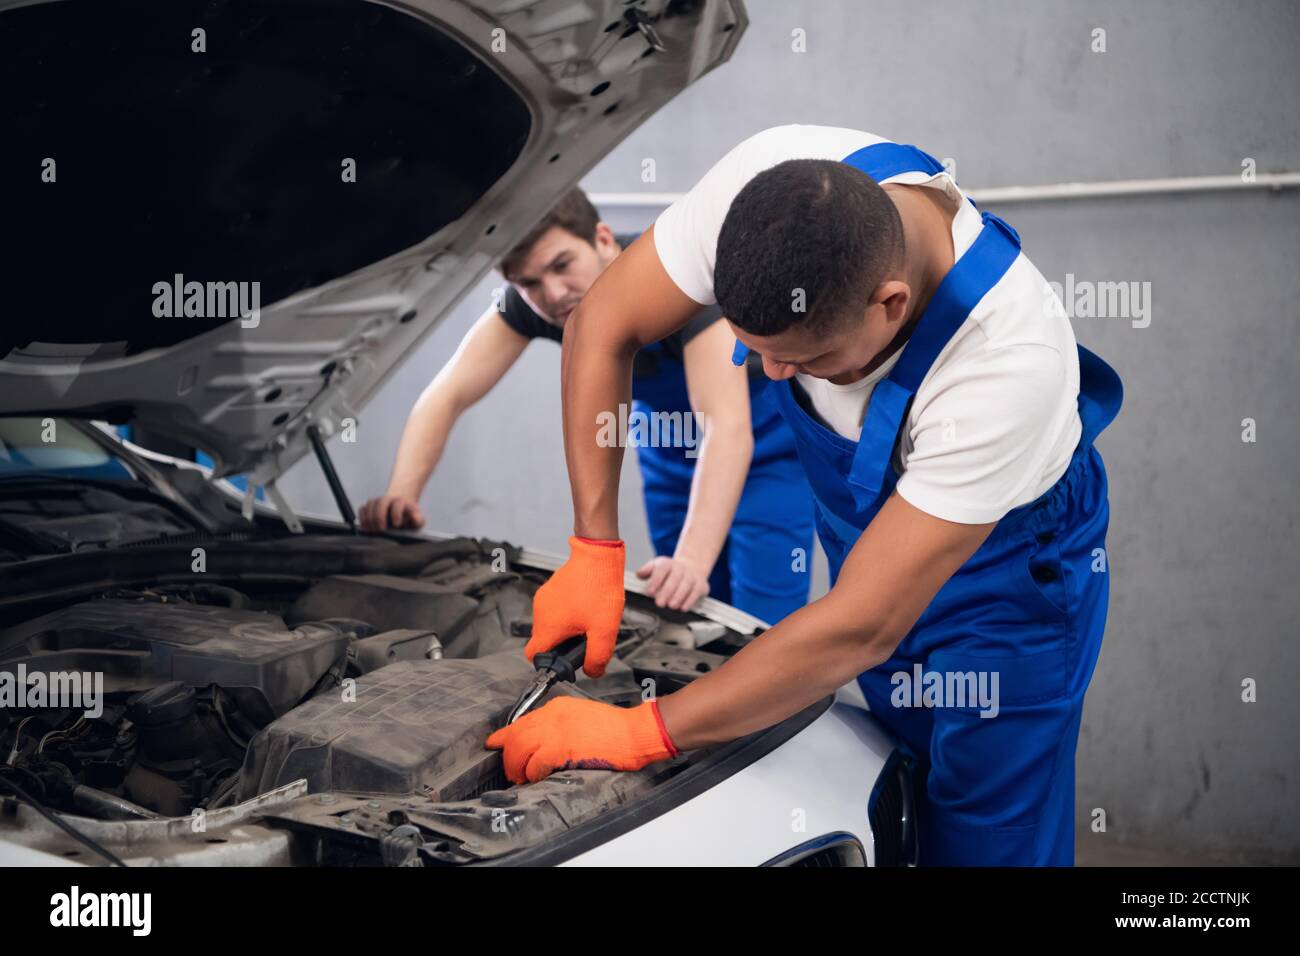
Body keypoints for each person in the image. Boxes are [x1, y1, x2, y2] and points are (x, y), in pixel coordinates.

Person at [487, 126, 1123, 866]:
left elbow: (860, 626)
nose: (774, 377)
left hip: (1007, 585)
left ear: (890, 303)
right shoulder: (768, 181)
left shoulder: (1007, 366)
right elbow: (603, 321)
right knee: (903, 792)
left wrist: (640, 731)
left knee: (985, 834)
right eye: (755, 349)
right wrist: (594, 546)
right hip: (874, 550)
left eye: (803, 358)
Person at [360, 188, 815, 623]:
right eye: (529, 282)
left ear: (601, 239)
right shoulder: (533, 305)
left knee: (760, 616)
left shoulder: (680, 283)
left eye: (562, 265)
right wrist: (402, 493)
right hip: (667, 445)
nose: (554, 293)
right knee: (688, 607)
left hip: (763, 447)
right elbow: (446, 395)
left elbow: (727, 426)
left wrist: (693, 559)